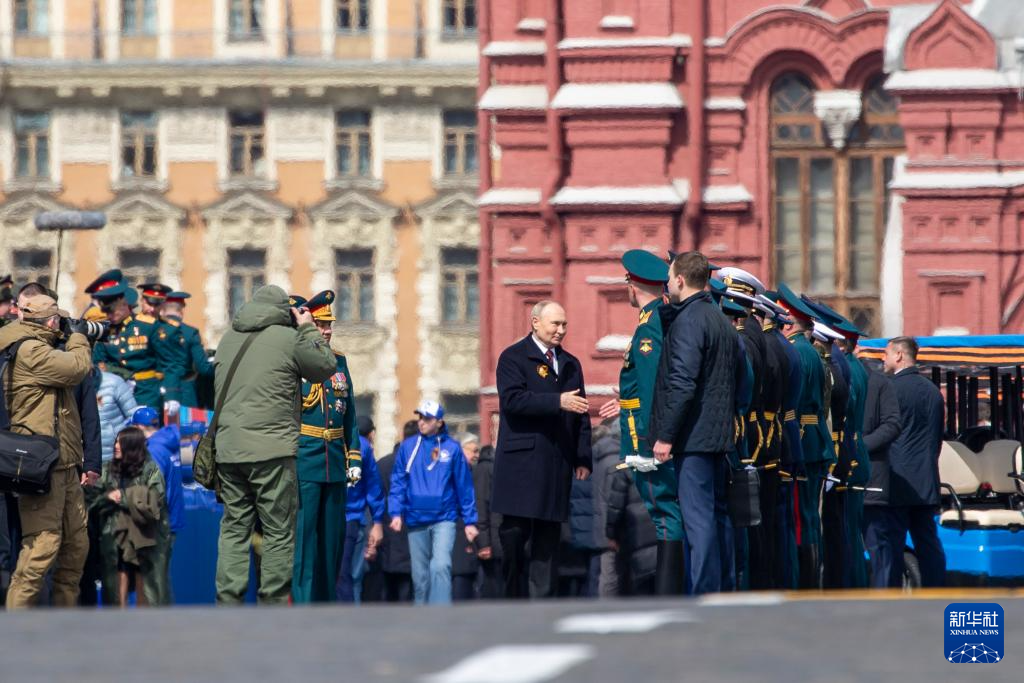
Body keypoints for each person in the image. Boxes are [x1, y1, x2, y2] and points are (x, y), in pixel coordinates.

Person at [213, 285, 336, 605]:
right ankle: (273, 601)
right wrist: (308, 328)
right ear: (285, 311)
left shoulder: (228, 339)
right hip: (272, 451)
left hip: (228, 451)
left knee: (234, 527)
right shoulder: (289, 338)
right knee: (278, 528)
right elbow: (324, 367)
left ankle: (228, 600)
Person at [597, 250, 686, 595]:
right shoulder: (653, 321)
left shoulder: (650, 327)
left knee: (664, 512)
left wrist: (652, 440)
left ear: (635, 285)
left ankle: (669, 588)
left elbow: (651, 388)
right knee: (664, 513)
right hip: (644, 429)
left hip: (645, 438)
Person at [650, 251, 738, 596]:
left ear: (681, 280)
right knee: (718, 517)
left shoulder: (689, 320)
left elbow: (682, 382)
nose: (668, 284)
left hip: (694, 438)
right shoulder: (720, 319)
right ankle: (724, 586)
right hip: (719, 437)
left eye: (670, 278)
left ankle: (703, 591)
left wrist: (666, 435)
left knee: (697, 519)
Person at [492, 300, 592, 599]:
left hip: (555, 463)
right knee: (514, 538)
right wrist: (556, 402)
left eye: (564, 325)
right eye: (555, 324)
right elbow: (513, 401)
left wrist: (582, 456)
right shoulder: (513, 357)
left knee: (548, 541)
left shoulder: (571, 363)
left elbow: (582, 414)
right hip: (521, 465)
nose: (561, 330)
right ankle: (512, 600)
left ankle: (542, 603)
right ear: (535, 322)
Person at [0, 294, 94, 608]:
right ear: (51, 322)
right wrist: (79, 335)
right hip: (42, 465)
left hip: (64, 464)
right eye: (60, 321)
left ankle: (63, 623)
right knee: (41, 548)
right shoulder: (28, 350)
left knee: (76, 547)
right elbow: (78, 367)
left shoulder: (39, 344)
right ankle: (15, 626)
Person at [285, 291, 363, 604]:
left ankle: (326, 602)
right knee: (303, 541)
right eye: (320, 324)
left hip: (334, 462)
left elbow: (351, 415)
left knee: (333, 542)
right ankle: (302, 603)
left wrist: (353, 456)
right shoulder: (292, 361)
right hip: (304, 460)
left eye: (329, 324)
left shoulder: (339, 361)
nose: (328, 330)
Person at [388, 401, 478, 605]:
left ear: (439, 422)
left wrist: (470, 521)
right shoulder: (408, 447)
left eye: (427, 419)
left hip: (444, 518)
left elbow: (464, 486)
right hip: (415, 517)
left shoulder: (452, 448)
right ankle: (423, 616)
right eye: (420, 418)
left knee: (440, 566)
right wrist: (395, 513)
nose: (421, 423)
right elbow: (398, 481)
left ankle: (441, 614)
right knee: (420, 577)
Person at [875, 337, 947, 588]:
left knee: (892, 544)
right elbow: (937, 439)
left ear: (898, 356)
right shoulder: (933, 391)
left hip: (898, 479)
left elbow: (885, 432)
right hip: (926, 479)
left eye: (886, 353)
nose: (883, 359)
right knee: (928, 542)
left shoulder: (891, 388)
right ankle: (937, 590)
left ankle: (893, 595)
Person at [774, 284, 832, 589]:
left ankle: (804, 582)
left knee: (800, 520)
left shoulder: (797, 351)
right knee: (809, 517)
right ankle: (813, 579)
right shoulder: (812, 352)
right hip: (816, 438)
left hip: (803, 440)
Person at [92, 427, 170, 607]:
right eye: (116, 442)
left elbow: (156, 499)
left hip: (145, 538)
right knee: (116, 594)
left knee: (148, 592)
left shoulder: (150, 470)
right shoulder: (107, 470)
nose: (116, 446)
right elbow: (93, 500)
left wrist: (124, 497)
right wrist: (107, 498)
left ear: (133, 446)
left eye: (121, 442)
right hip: (115, 538)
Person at [125, 406, 185, 604]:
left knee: (153, 581)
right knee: (160, 578)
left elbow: (152, 492)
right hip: (170, 520)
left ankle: (158, 627)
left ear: (140, 426)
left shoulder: (154, 451)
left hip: (158, 523)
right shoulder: (167, 442)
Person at [862, 352, 902, 588]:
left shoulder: (878, 383)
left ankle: (882, 594)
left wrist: (860, 446)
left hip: (872, 475)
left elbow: (892, 424)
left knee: (876, 541)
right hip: (841, 475)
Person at [338, 414, 385, 603]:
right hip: (353, 517)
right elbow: (374, 487)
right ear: (371, 434)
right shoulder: (364, 447)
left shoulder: (329, 441)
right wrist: (378, 521)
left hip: (327, 516)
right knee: (352, 575)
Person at [377, 420, 417, 602]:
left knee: (387, 590)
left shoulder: (382, 464)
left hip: (386, 533)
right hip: (414, 533)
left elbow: (375, 499)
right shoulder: (420, 465)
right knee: (410, 591)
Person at [163, 291, 214, 409]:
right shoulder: (189, 332)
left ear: (163, 310)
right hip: (184, 391)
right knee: (186, 426)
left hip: (157, 390)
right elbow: (203, 368)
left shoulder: (152, 329)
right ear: (181, 311)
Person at [452, 434, 482, 601]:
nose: (476, 455)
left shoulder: (471, 471)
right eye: (473, 450)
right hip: (459, 531)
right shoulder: (457, 472)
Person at [472, 443, 502, 600]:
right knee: (492, 589)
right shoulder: (485, 470)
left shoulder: (487, 469)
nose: (475, 455)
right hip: (491, 542)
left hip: (495, 539)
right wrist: (484, 543)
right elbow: (481, 506)